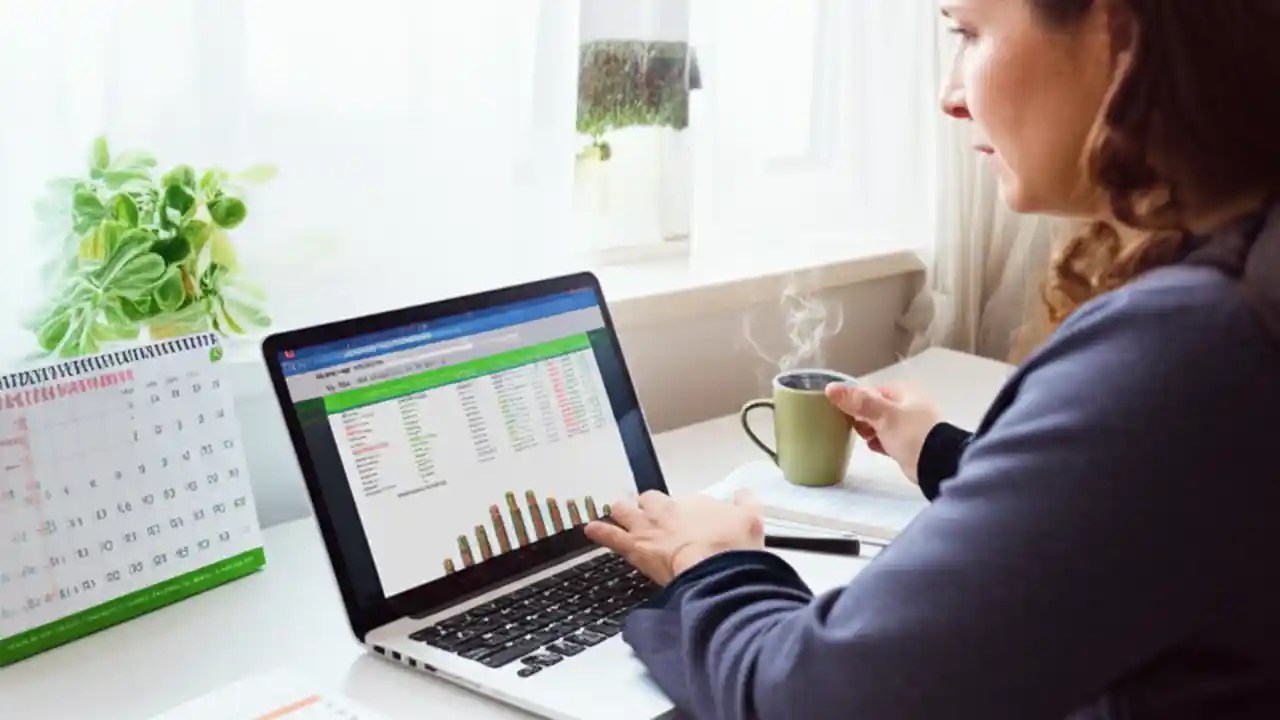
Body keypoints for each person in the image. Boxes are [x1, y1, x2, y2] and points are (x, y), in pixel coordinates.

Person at [583, 0, 1280, 717]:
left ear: (1121, 35)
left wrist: (711, 563)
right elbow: (1150, 509)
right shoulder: (1243, 285)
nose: (951, 96)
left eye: (969, 34)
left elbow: (818, 700)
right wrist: (946, 453)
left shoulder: (1195, 347)